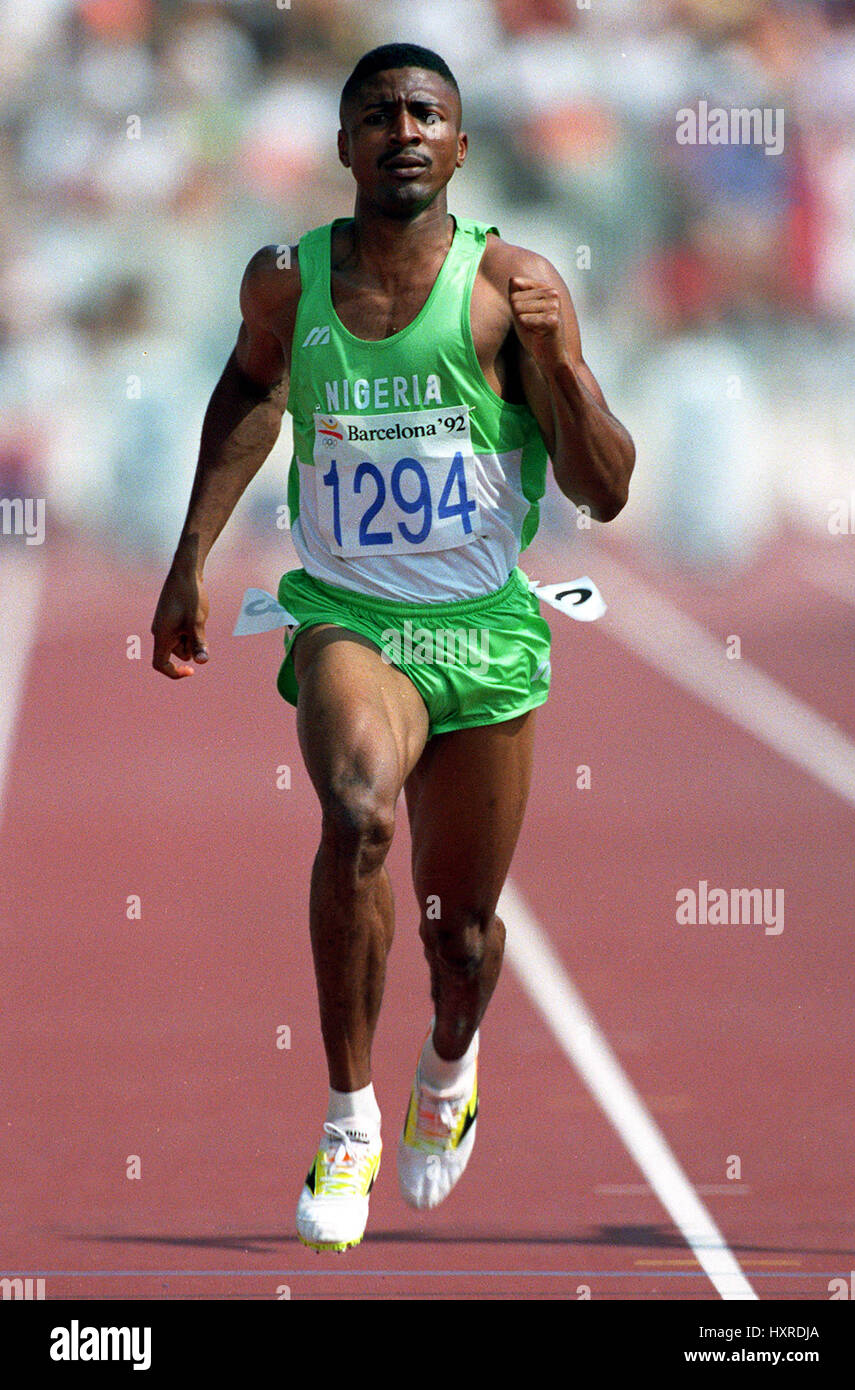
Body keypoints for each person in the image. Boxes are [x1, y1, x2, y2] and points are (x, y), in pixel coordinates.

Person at [151, 42, 635, 1253]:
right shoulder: (284, 278)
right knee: (358, 814)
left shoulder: (510, 289)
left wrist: (562, 365)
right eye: (377, 114)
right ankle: (350, 1116)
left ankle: (444, 1069)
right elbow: (252, 394)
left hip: (481, 627)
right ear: (342, 147)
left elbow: (607, 488)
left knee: (459, 934)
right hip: (348, 614)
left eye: (427, 112)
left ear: (461, 147)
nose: (403, 128)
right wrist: (191, 556)